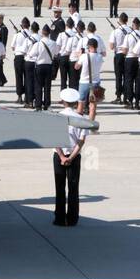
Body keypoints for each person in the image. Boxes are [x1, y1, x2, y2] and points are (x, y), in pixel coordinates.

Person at [53, 88, 87, 225]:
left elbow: (54, 139)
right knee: (73, 188)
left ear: (62, 102)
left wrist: (61, 156)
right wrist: (71, 157)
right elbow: (81, 141)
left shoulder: (57, 117)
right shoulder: (81, 119)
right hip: (74, 155)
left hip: (58, 155)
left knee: (60, 187)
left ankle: (59, 218)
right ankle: (72, 218)